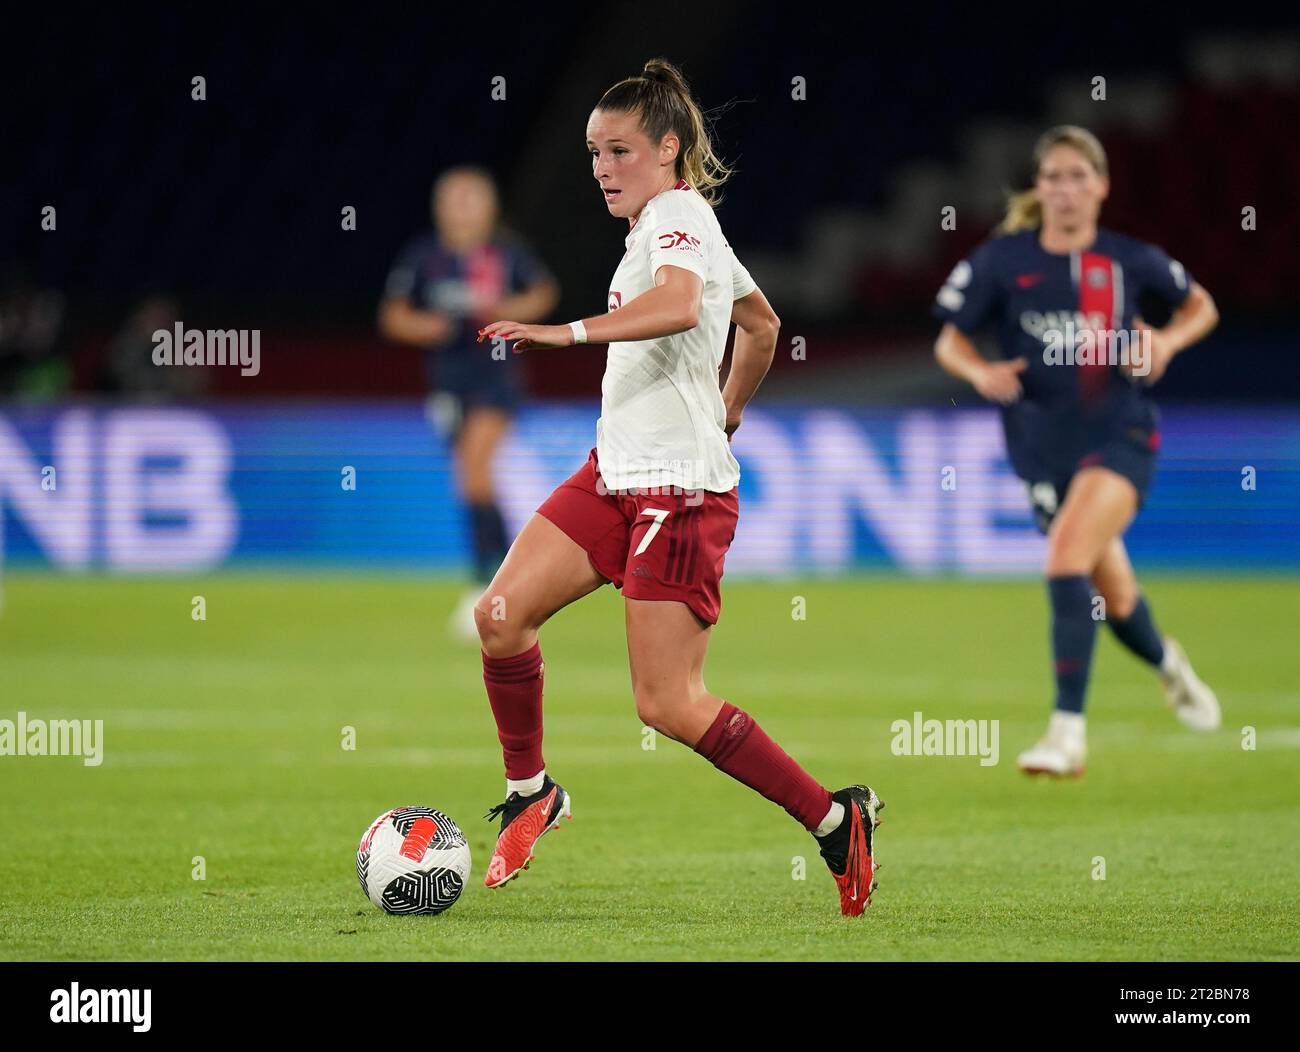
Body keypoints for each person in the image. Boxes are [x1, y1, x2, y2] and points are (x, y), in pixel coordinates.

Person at [472, 58, 884, 916]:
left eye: (618, 150)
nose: (600, 168)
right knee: (500, 617)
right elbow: (761, 325)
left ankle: (833, 818)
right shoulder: (671, 222)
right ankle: (531, 794)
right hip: (615, 471)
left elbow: (673, 305)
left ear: (667, 150)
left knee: (667, 703)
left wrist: (565, 333)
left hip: (676, 493)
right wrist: (728, 408)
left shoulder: (680, 216)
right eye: (592, 152)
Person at [933, 125, 1222, 778]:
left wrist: (1168, 343)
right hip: (1041, 451)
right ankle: (1168, 664)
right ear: (1040, 187)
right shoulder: (1002, 261)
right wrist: (979, 372)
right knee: (1113, 593)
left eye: (1078, 176)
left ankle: (1067, 734)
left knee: (1066, 557)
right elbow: (949, 340)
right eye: (1054, 177)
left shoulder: (1128, 261)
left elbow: (1201, 306)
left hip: (1120, 436)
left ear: (1102, 186)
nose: (1066, 189)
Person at [379, 167, 559, 640]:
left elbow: (543, 293)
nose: (460, 209)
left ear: (489, 207)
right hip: (447, 385)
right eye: (453, 199)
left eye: (470, 199)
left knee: (475, 471)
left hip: (496, 382)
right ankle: (503, 581)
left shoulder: (505, 254)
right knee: (470, 482)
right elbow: (394, 315)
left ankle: (488, 586)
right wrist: (426, 327)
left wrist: (506, 313)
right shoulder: (424, 258)